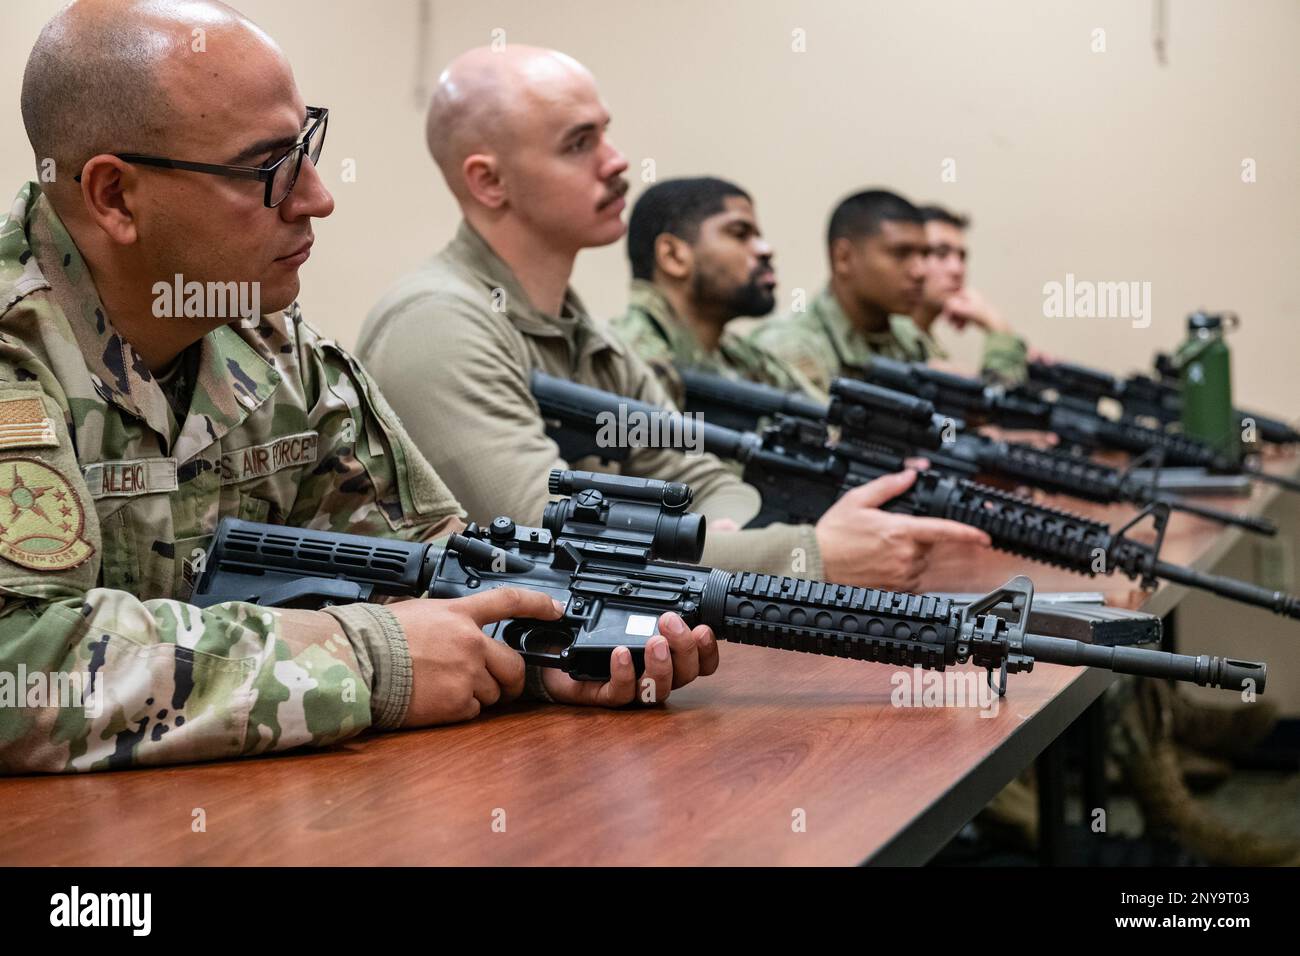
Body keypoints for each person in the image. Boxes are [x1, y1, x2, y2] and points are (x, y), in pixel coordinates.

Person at [0, 0, 714, 775]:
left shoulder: (269, 338)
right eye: (268, 167)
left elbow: (430, 564)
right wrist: (368, 662)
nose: (316, 195)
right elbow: (20, 668)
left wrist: (538, 647)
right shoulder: (17, 353)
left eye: (306, 145)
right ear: (114, 196)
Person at [357, 46, 990, 593]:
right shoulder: (437, 326)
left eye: (605, 133)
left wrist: (709, 541)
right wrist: (809, 557)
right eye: (579, 144)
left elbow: (703, 474)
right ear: (490, 182)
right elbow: (550, 542)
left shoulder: (591, 339)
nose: (617, 161)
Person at [609, 176, 822, 406]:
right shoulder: (624, 360)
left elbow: (824, 421)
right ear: (673, 256)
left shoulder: (741, 359)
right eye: (740, 233)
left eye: (758, 237)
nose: (765, 250)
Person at [748, 189, 939, 394]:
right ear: (844, 258)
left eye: (925, 254)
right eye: (901, 253)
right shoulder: (787, 345)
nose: (921, 271)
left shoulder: (908, 337)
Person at [912, 205, 1027, 384]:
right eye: (941, 254)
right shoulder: (893, 340)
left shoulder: (927, 345)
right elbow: (994, 399)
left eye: (962, 257)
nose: (957, 269)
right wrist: (995, 324)